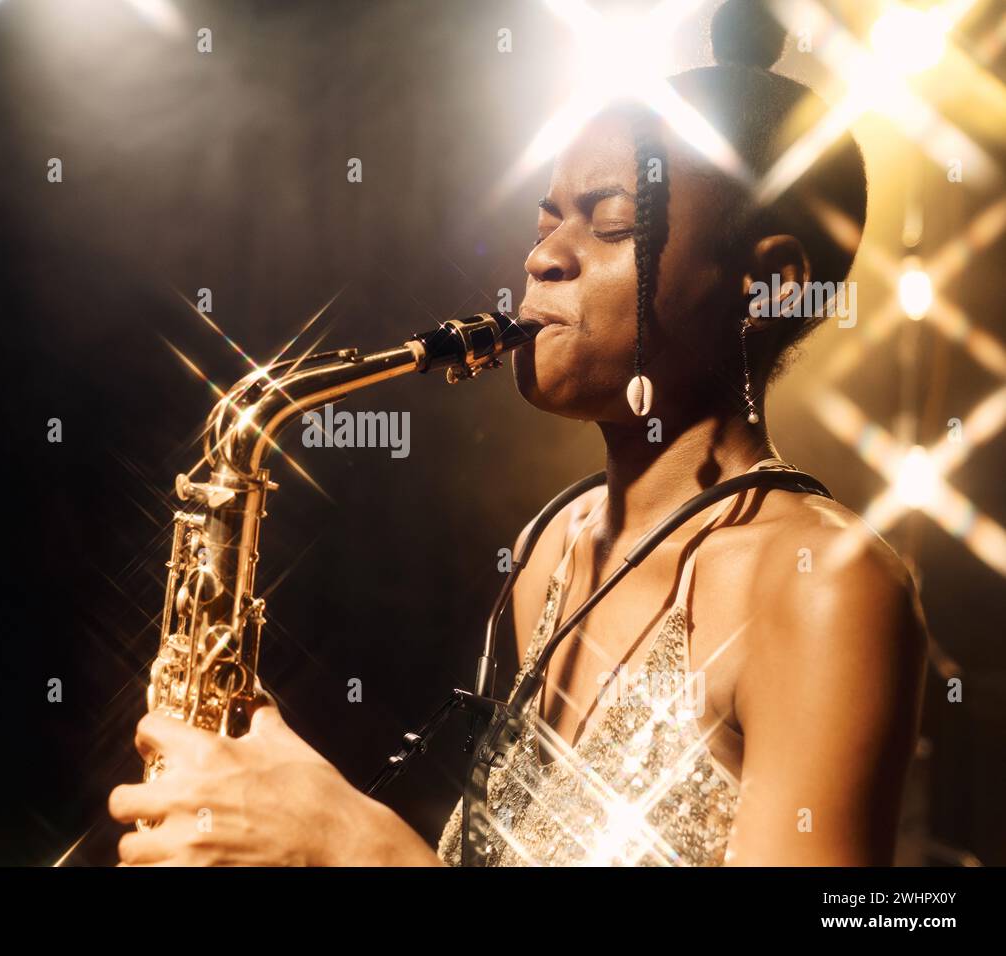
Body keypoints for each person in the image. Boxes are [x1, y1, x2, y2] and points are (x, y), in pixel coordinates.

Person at [107, 0, 928, 866]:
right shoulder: (554, 549)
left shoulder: (826, 587)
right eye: (546, 223)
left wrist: (352, 846)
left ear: (768, 284)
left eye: (610, 224)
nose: (542, 258)